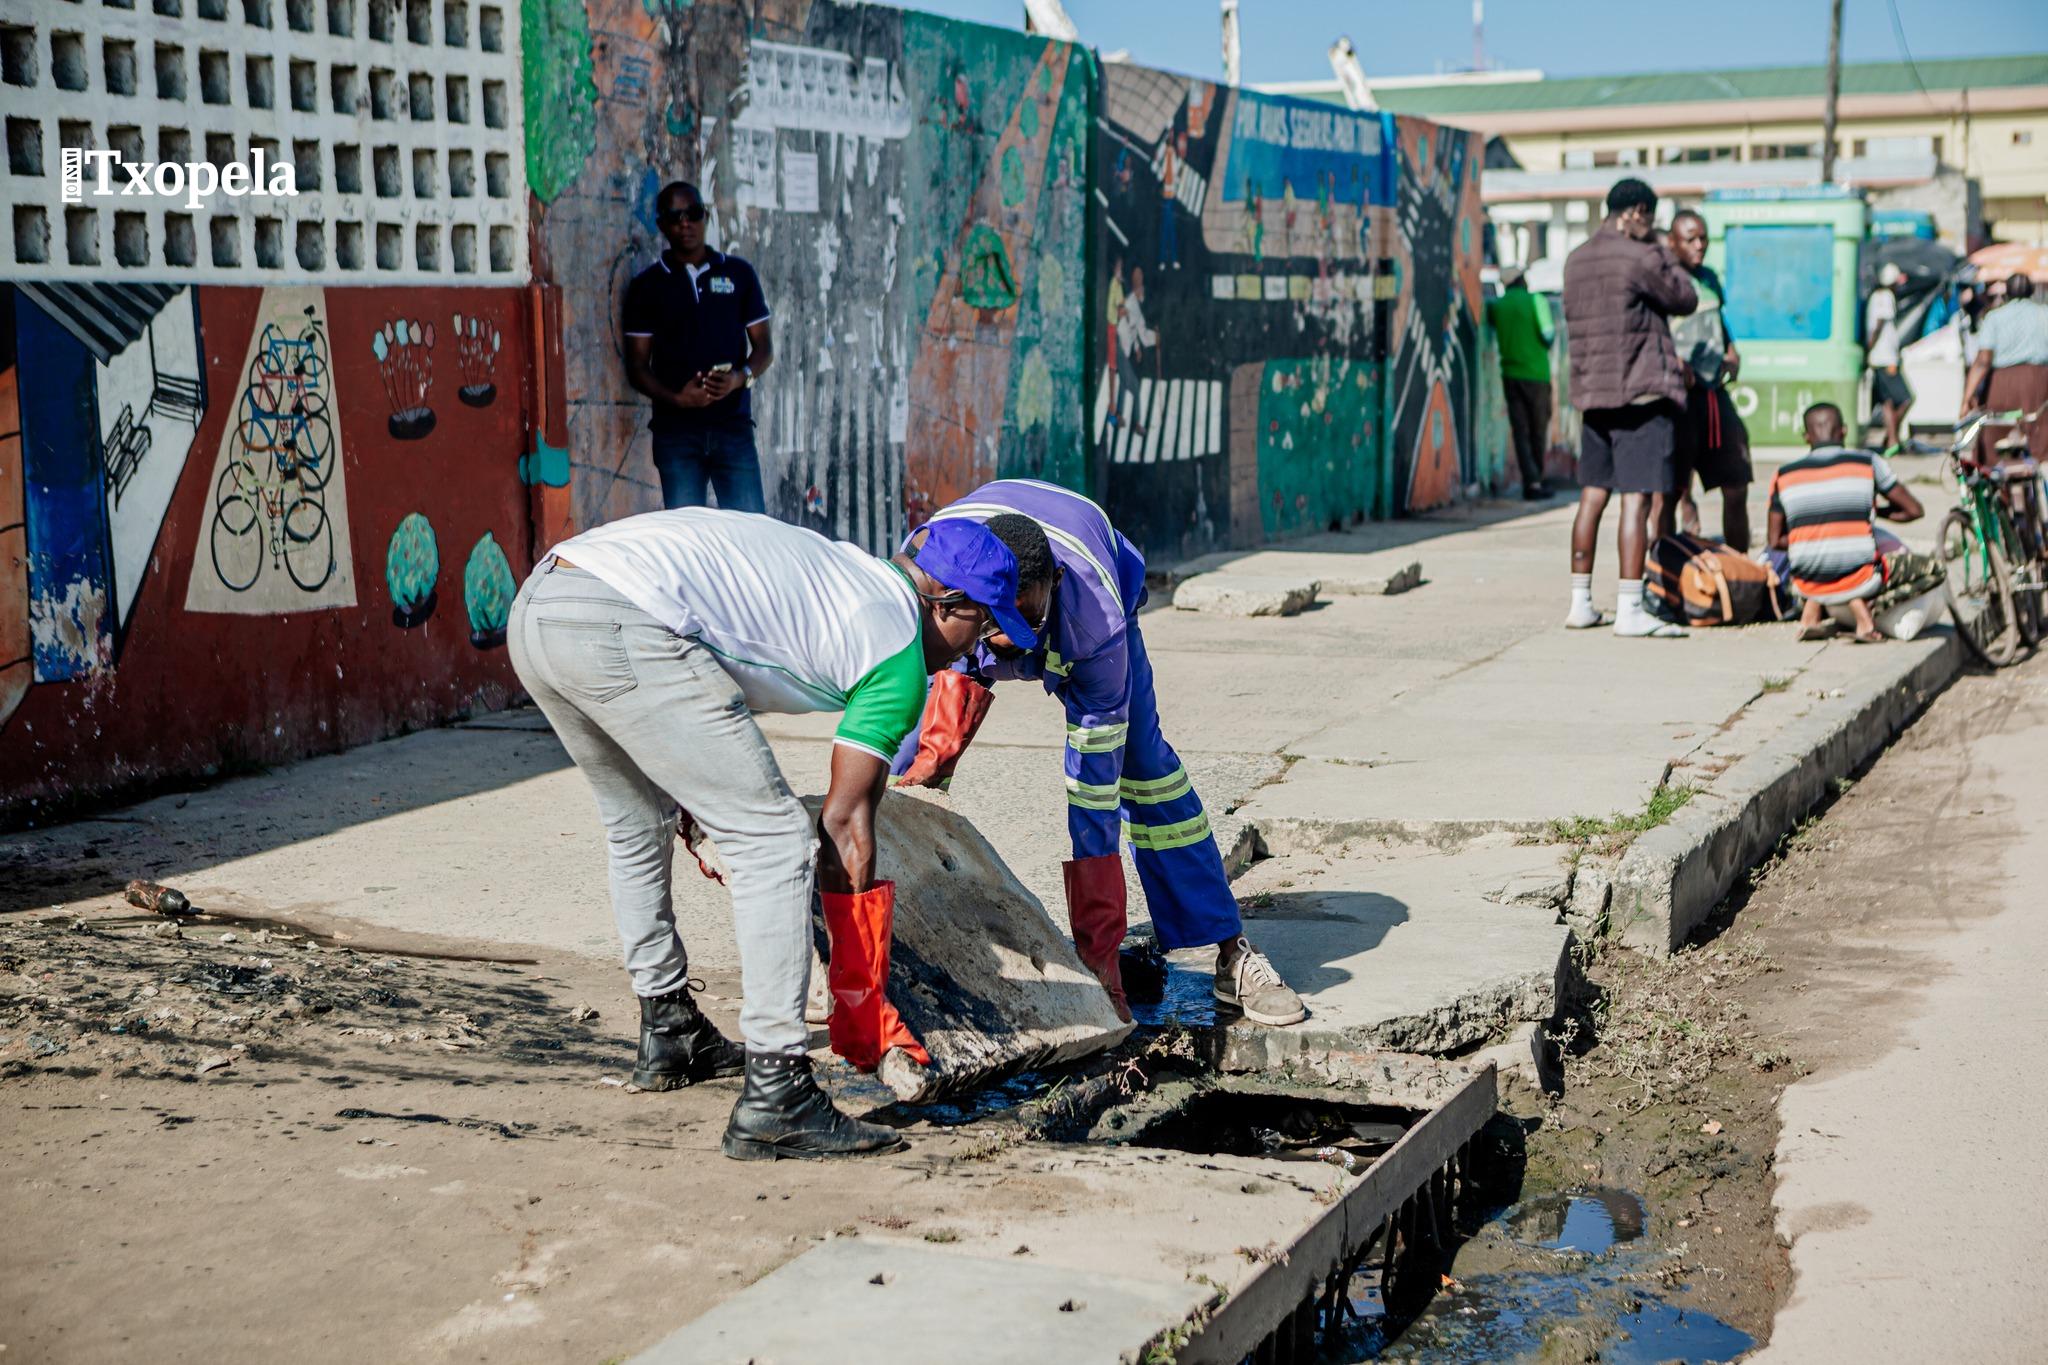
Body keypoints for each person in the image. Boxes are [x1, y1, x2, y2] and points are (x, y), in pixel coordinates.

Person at [507, 508, 1051, 1161]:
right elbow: (846, 824)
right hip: (620, 617)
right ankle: (776, 1093)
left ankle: (669, 1023)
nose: (979, 649)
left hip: (544, 604)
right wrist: (861, 993)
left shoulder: (853, 576)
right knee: (772, 842)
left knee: (636, 820)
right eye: (985, 626)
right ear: (952, 606)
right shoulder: (898, 651)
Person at [891, 480, 1308, 1029]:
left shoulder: (1095, 624)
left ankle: (1229, 952)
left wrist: (1101, 958)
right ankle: (878, 960)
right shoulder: (934, 572)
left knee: (1143, 770)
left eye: (1025, 624)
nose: (1007, 646)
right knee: (901, 772)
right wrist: (919, 771)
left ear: (1055, 585)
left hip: (1091, 602)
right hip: (968, 590)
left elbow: (1093, 801)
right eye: (995, 625)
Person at [1560, 178, 1698, 638]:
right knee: (1636, 501)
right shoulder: (1641, 256)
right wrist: (1659, 249)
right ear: (1637, 212)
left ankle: (1580, 602)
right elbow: (1684, 297)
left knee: (1592, 495)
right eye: (1651, 219)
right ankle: (1630, 608)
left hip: (1593, 394)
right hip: (1639, 393)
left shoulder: (1575, 259)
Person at [622, 182, 775, 513]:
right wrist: (678, 398)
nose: (685, 223)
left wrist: (739, 377)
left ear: (705, 217)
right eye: (676, 217)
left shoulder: (738, 274)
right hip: (677, 436)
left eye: (693, 214)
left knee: (753, 534)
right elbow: (636, 367)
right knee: (687, 541)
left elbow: (764, 348)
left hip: (733, 430)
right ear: (662, 224)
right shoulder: (647, 287)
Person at [1767, 403, 1923, 644]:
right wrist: (1870, 512)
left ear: (1806, 436)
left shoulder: (1784, 474)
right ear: (1844, 431)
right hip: (1861, 578)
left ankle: (1812, 612)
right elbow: (1914, 510)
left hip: (1805, 582)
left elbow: (1775, 540)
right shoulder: (1868, 462)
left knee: (1823, 552)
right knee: (1933, 570)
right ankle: (1862, 612)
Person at [1661, 209, 1752, 550]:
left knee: (1737, 480)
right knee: (1667, 493)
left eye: (1704, 238)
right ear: (1672, 242)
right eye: (1690, 239)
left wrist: (1732, 350)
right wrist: (1673, 361)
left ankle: (1741, 570)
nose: (1700, 245)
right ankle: (1665, 569)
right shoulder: (1663, 280)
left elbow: (1719, 321)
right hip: (1678, 399)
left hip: (1714, 393)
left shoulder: (1710, 278)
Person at [1487, 266, 1557, 500]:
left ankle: (1531, 481)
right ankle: (1537, 480)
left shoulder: (1498, 306)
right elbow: (1548, 336)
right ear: (1521, 280)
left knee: (1520, 431)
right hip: (1536, 374)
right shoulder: (1536, 301)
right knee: (1538, 430)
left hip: (1510, 375)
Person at [1964, 273, 2048, 462]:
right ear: (2032, 291)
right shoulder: (2044, 314)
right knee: (2038, 435)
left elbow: (1983, 361)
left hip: (2002, 384)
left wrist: (1966, 398)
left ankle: (2001, 483)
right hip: (2039, 383)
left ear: (2007, 292)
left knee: (1997, 436)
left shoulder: (1994, 317)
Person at [1865, 263, 1913, 456]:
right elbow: (1878, 324)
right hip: (1885, 358)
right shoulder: (1885, 297)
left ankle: (1891, 439)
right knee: (1906, 398)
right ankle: (1892, 437)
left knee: (1887, 402)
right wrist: (1870, 347)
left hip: (1880, 357)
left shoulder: (1877, 297)